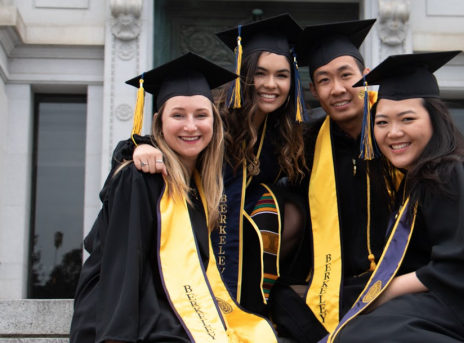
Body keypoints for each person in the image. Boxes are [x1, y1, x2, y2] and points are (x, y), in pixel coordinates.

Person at [322, 51, 464, 343]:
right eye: (382, 122)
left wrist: (379, 294)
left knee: (364, 334)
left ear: (435, 120)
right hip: (459, 305)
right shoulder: (422, 176)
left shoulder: (452, 171)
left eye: (407, 119)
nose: (393, 132)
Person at [70, 52, 278, 343]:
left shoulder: (201, 185)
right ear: (159, 121)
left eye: (201, 115)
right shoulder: (139, 177)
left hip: (167, 308)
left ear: (215, 122)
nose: (190, 126)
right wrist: (114, 338)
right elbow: (123, 264)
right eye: (178, 115)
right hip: (121, 313)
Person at [114, 14, 309, 315]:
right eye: (260, 73)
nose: (271, 84)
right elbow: (164, 138)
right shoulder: (214, 117)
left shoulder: (284, 133)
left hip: (241, 235)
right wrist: (139, 150)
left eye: (282, 75)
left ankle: (259, 294)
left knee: (283, 207)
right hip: (193, 222)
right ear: (245, 73)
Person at [266, 19, 398, 343]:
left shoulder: (398, 130)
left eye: (346, 75)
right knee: (277, 296)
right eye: (324, 80)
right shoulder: (307, 145)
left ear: (365, 76)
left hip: (393, 279)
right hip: (332, 283)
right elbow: (247, 166)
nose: (336, 89)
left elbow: (448, 158)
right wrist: (138, 147)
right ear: (314, 92)